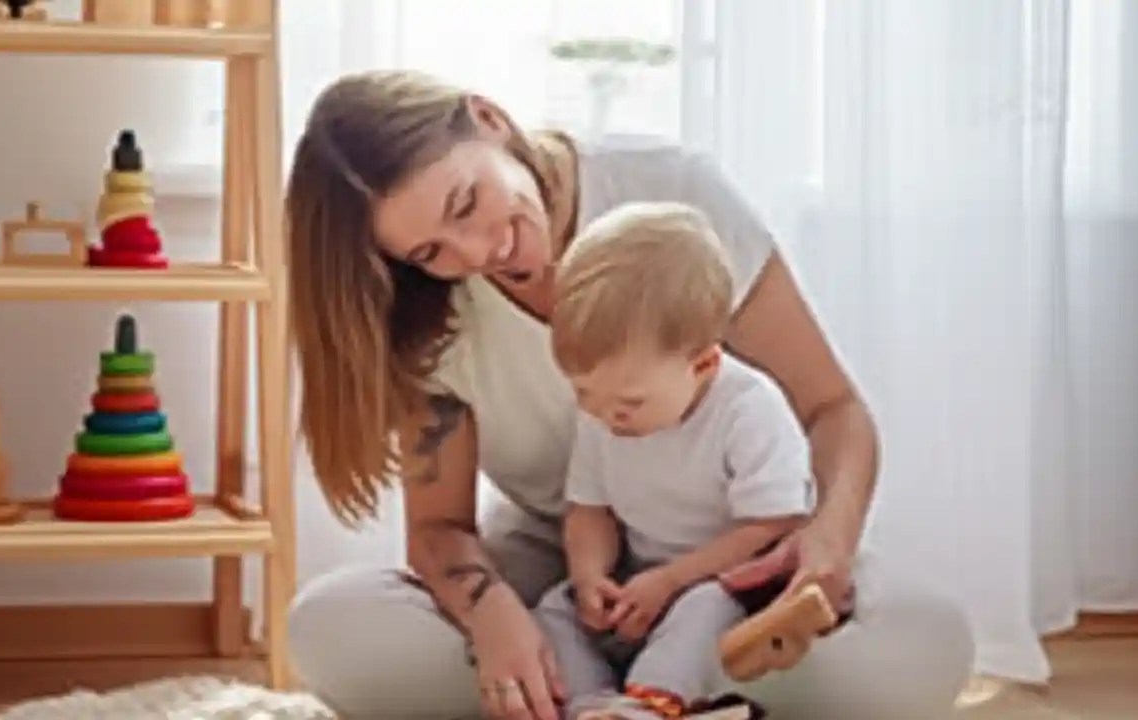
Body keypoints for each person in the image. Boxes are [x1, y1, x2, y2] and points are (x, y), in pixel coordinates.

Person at [284, 69, 975, 720]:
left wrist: (829, 539)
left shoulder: (668, 189)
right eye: (429, 253)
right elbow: (440, 529)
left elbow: (833, 409)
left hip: (730, 555)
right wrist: (497, 622)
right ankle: (653, 689)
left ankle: (611, 689)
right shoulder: (426, 311)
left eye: (466, 203)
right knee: (332, 625)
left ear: (489, 120)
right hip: (560, 563)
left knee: (922, 646)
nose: (475, 253)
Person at [534, 200, 818, 719]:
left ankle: (652, 701)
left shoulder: (747, 408)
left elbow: (774, 524)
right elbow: (589, 510)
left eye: (629, 403)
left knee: (704, 608)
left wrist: (673, 581)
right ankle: (591, 705)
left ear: (703, 364)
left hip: (730, 578)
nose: (602, 414)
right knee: (555, 608)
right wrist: (590, 575)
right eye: (582, 392)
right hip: (641, 576)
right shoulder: (603, 409)